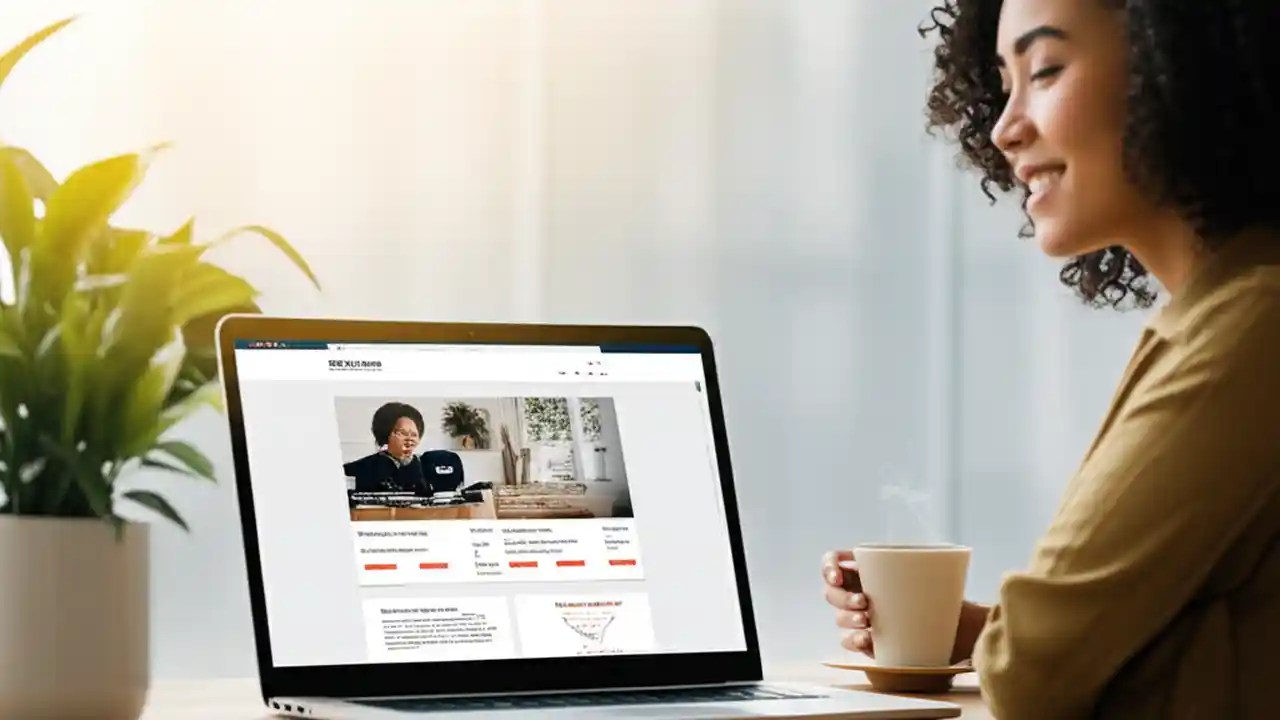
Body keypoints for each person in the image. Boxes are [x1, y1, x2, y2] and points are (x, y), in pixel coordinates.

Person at [823, 1, 1280, 717]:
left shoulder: (1254, 325)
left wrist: (1023, 645)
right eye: (1003, 83)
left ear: (1178, 67)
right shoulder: (1228, 312)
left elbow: (1032, 675)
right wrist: (972, 632)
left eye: (1045, 70)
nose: (1006, 127)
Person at [343, 402, 430, 495]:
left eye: (414, 434)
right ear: (386, 433)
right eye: (402, 433)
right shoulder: (358, 470)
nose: (409, 439)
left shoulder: (427, 468)